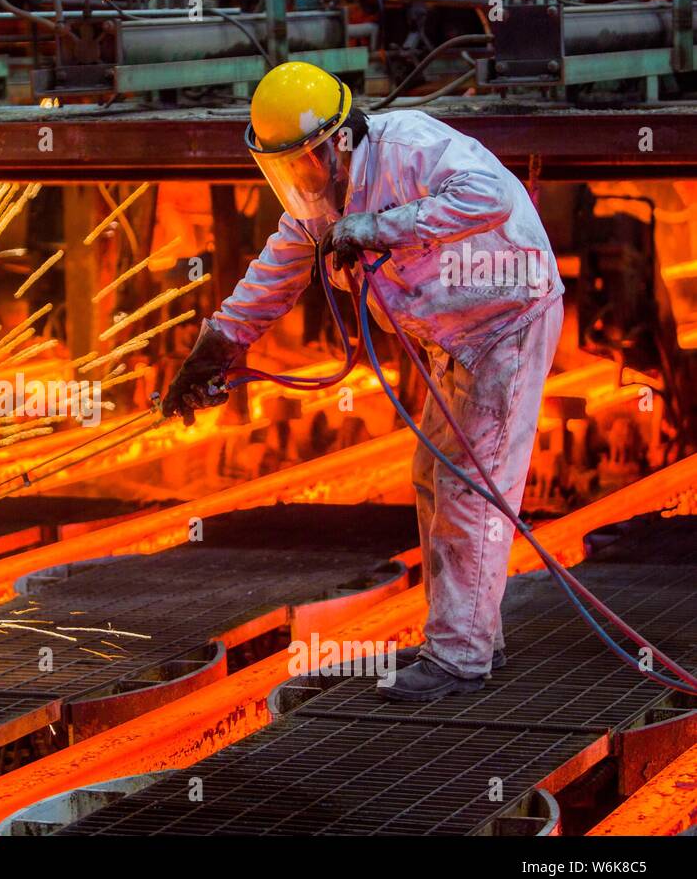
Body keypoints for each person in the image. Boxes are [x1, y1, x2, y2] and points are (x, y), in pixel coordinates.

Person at [163, 62, 565, 702]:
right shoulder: (316, 205)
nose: (300, 181)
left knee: (469, 490)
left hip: (505, 320)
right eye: (287, 170)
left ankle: (459, 661)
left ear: (338, 140)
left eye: (306, 164)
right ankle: (465, 638)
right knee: (436, 481)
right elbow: (275, 275)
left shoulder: (408, 147)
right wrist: (215, 349)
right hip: (451, 339)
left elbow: (490, 195)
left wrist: (379, 228)